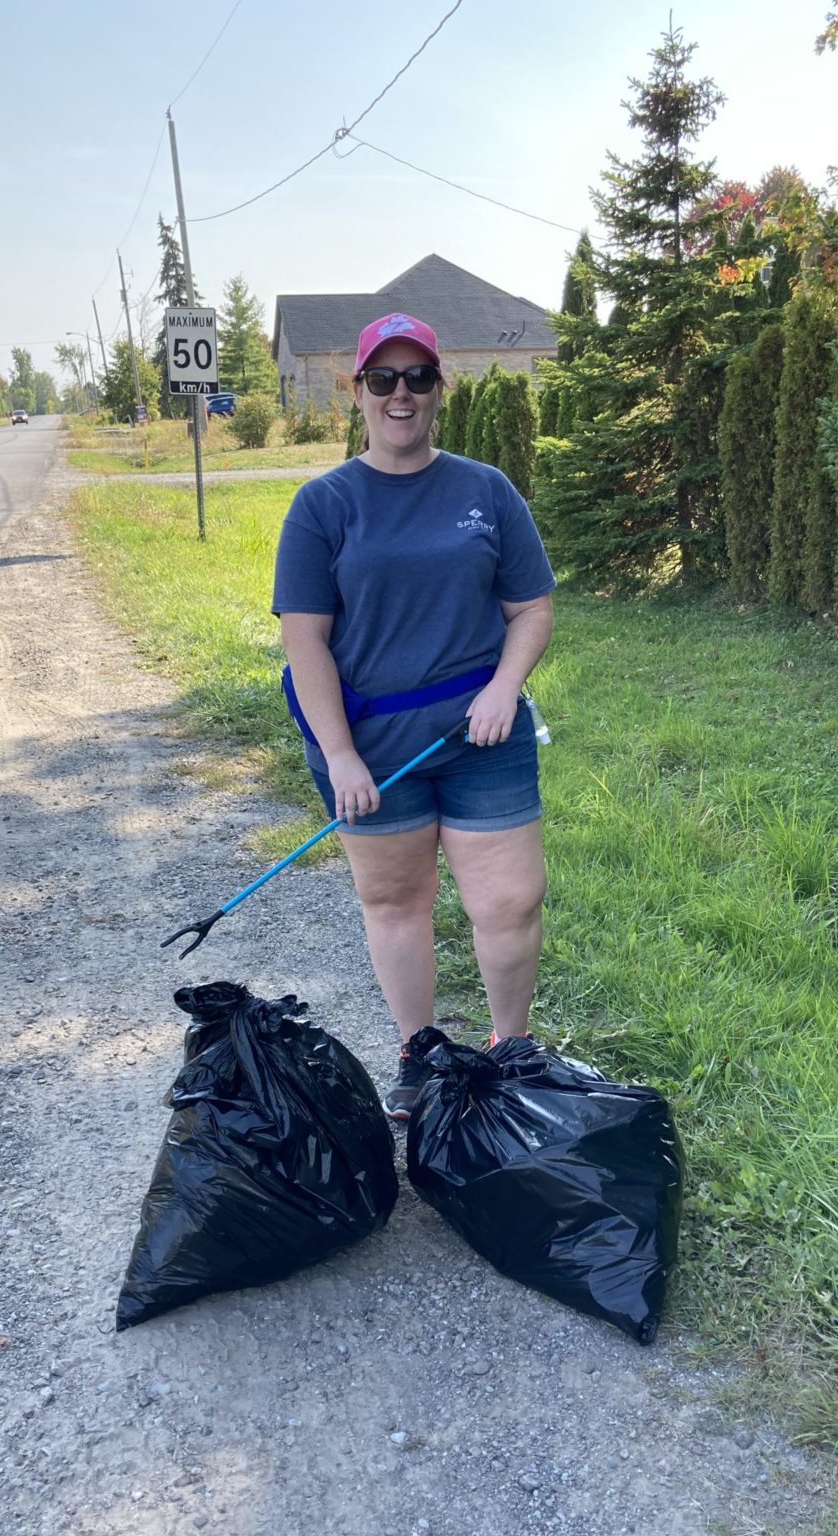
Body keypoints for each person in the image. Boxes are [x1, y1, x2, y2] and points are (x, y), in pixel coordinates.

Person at [271, 312, 556, 1119]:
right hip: (370, 746)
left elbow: (531, 607)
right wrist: (340, 755)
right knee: (395, 903)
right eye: (383, 379)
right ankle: (419, 1052)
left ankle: (511, 1050)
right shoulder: (322, 505)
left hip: (482, 735)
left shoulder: (484, 489)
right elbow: (307, 646)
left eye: (418, 378)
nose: (402, 394)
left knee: (509, 901)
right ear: (356, 391)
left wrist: (504, 687)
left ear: (439, 390)